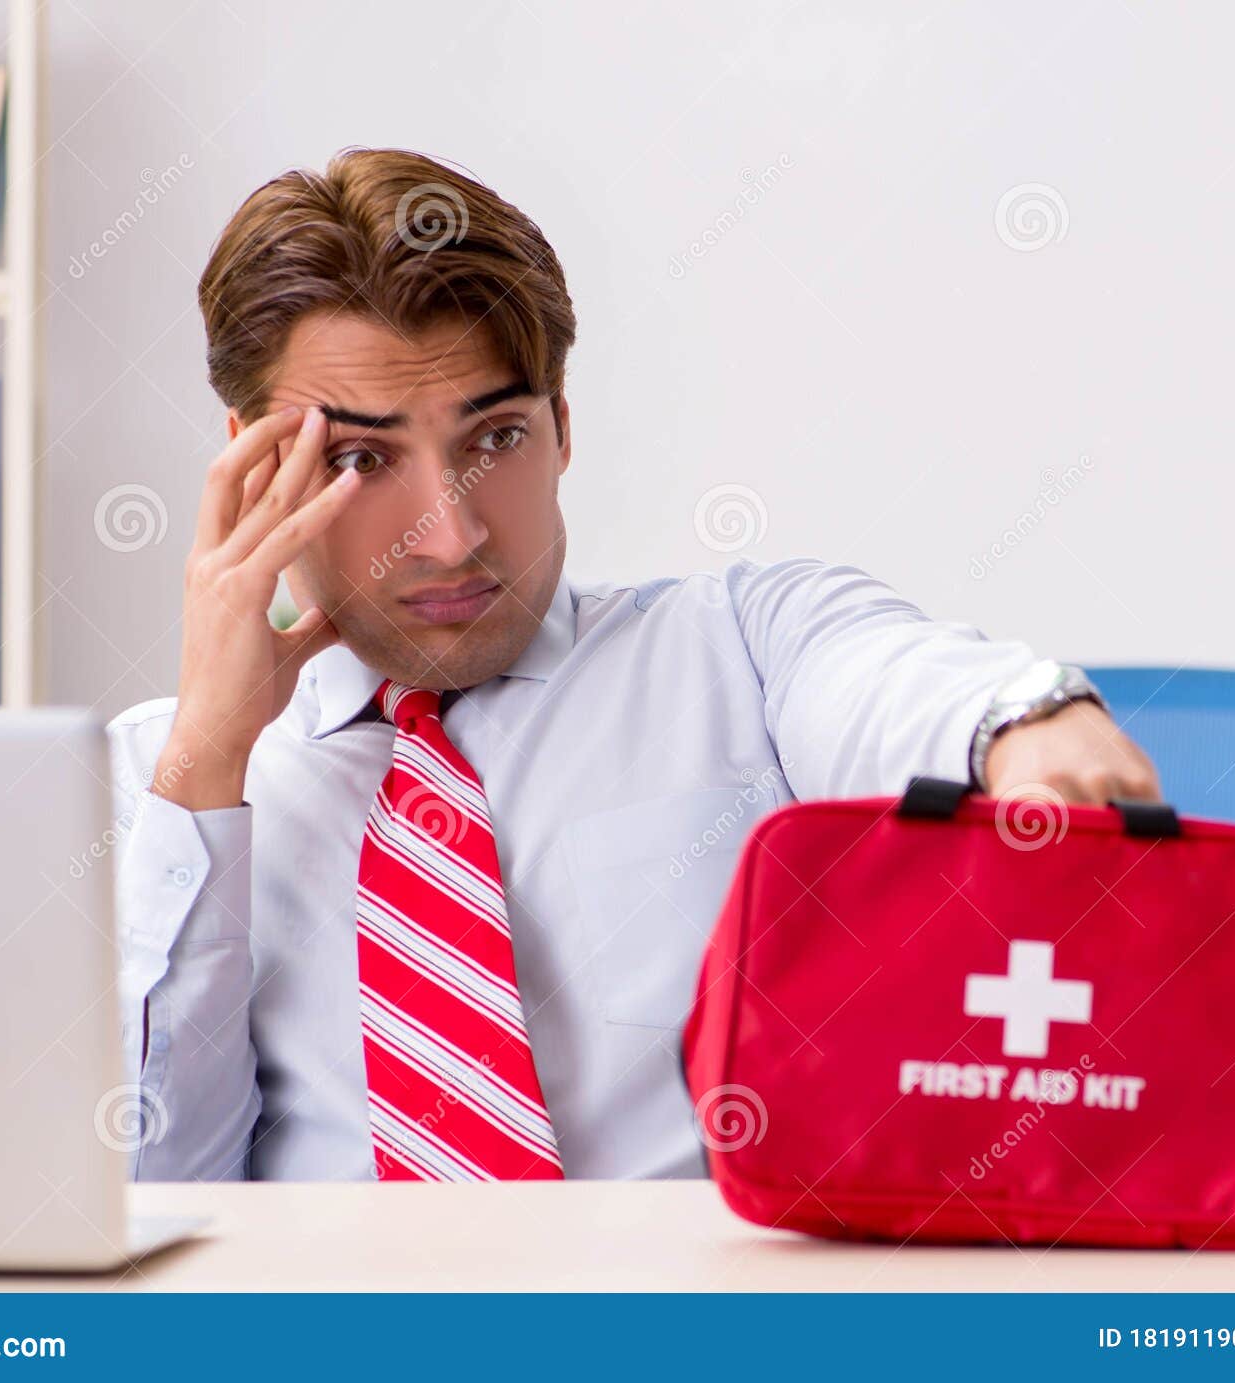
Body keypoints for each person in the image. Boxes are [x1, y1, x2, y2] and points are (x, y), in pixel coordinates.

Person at [109, 148, 1160, 1183]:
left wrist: (1028, 726)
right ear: (253, 464)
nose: (451, 534)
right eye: (359, 458)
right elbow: (152, 1195)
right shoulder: (154, 781)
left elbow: (890, 677)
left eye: (495, 438)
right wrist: (208, 760)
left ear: (562, 425)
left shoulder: (740, 649)